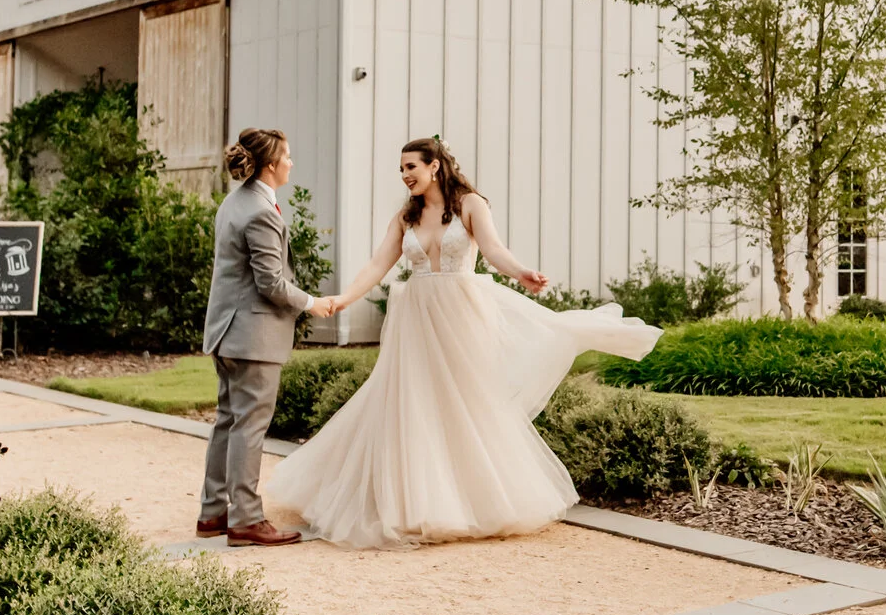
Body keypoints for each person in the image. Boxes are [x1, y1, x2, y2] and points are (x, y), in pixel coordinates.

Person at [262, 136, 660, 549]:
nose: (404, 176)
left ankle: (472, 500)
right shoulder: (406, 217)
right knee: (413, 404)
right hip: (416, 319)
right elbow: (379, 264)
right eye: (401, 170)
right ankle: (412, 504)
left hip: (461, 316)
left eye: (411, 167)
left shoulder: (470, 205)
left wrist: (521, 272)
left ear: (434, 166)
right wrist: (342, 299)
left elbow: (493, 250)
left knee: (465, 404)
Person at [197, 127, 314, 547]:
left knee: (228, 420)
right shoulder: (261, 211)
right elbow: (272, 284)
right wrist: (313, 302)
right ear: (271, 165)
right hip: (253, 335)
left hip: (227, 331)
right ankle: (245, 518)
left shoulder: (234, 202)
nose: (291, 163)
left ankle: (213, 513)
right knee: (249, 427)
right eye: (287, 156)